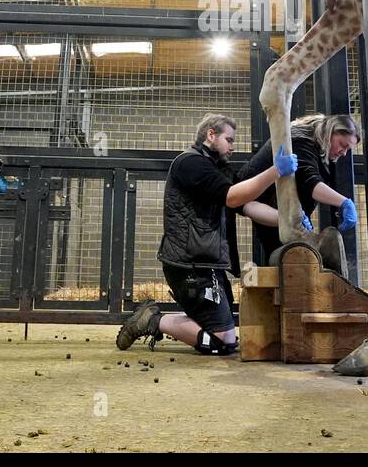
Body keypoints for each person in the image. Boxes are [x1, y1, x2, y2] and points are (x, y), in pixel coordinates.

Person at [116, 113, 298, 354]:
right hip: (189, 265)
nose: (233, 146)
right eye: (229, 140)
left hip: (207, 263)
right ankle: (152, 319)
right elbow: (232, 196)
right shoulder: (190, 164)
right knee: (223, 343)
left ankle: (163, 319)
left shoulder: (218, 169)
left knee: (223, 332)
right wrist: (275, 171)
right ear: (210, 135)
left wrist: (288, 220)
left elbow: (247, 204)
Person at [237, 113, 361, 264]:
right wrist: (344, 202)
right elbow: (310, 182)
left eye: (348, 149)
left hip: (269, 206)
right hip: (255, 197)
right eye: (343, 145)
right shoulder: (302, 140)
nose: (344, 152)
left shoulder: (316, 147)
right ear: (331, 132)